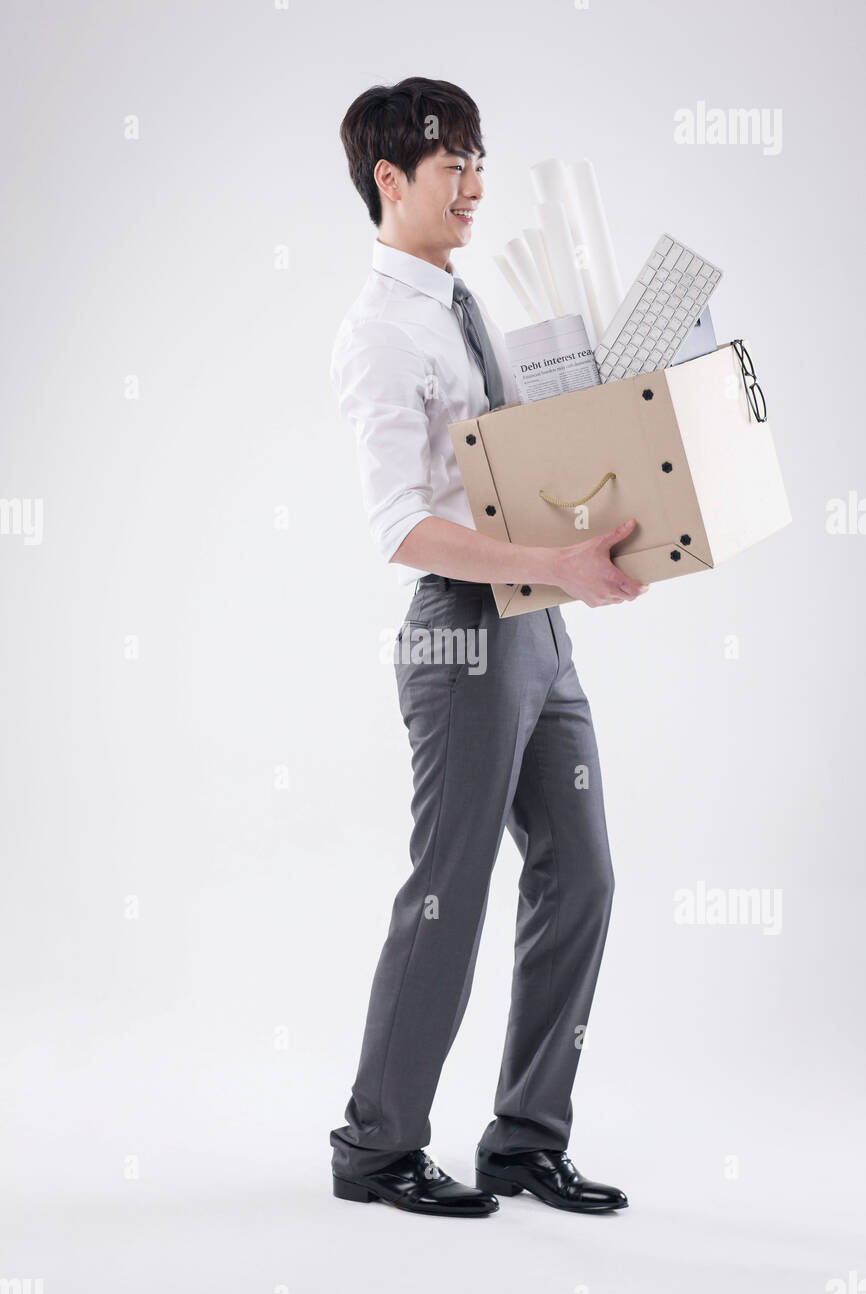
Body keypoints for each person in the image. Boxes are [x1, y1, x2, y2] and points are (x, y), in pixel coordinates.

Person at [329, 76, 646, 1218]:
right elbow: (397, 525)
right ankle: (375, 1145)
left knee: (583, 872)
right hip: (463, 630)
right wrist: (547, 568)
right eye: (448, 162)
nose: (471, 184)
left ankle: (523, 1137)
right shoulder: (378, 333)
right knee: (449, 890)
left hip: (539, 620)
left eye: (477, 159)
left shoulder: (465, 307)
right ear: (388, 178)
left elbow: (509, 463)